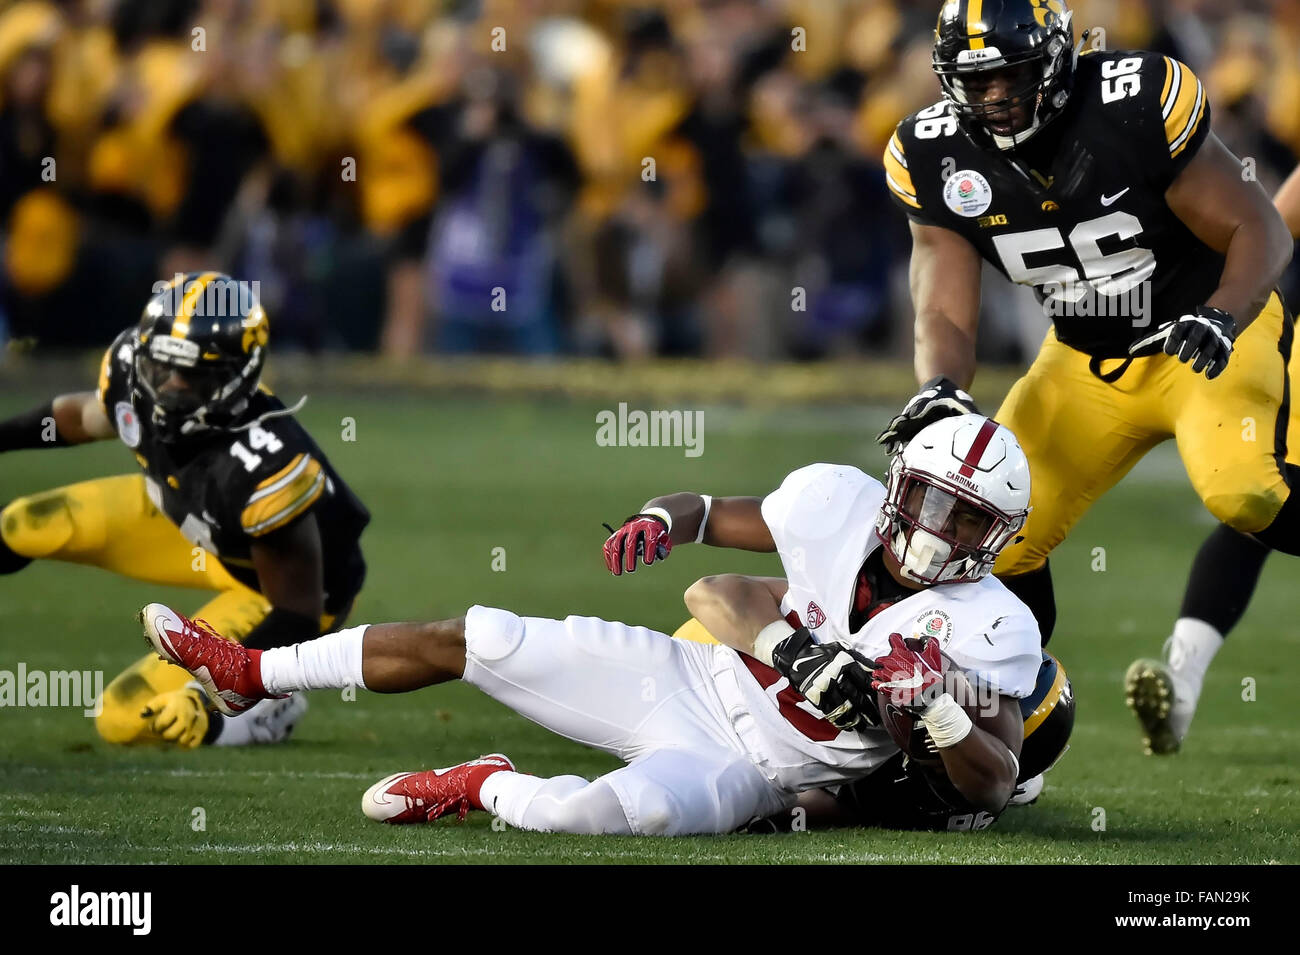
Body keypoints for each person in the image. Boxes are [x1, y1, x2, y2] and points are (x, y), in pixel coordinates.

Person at [142, 415, 1039, 836]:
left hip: (754, 766)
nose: (935, 530)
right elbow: (710, 541)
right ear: (895, 488)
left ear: (993, 537)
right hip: (695, 680)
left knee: (604, 812)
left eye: (964, 520)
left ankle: (482, 782)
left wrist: (943, 717)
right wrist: (658, 516)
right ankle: (250, 672)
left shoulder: (988, 625)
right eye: (929, 501)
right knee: (482, 634)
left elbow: (993, 780)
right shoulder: (832, 504)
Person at [876, 1, 1294, 756]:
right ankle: (1019, 717)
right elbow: (942, 294)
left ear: (1057, 61)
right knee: (989, 540)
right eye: (975, 80)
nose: (994, 95)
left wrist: (1221, 314)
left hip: (1201, 337)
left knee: (1242, 490)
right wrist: (939, 385)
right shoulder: (934, 153)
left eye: (1009, 75)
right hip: (1081, 359)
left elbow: (1259, 226)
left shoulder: (1131, 105)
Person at [0, 272, 370, 748]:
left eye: (193, 375)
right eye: (162, 368)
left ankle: (270, 705)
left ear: (237, 377)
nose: (171, 386)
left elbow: (296, 611)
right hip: (187, 525)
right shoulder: (134, 372)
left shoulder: (266, 466)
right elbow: (83, 417)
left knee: (125, 716)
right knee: (20, 524)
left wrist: (208, 693)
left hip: (271, 591)